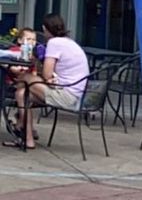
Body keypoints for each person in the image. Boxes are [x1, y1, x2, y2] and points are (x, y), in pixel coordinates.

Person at [7, 13, 89, 150]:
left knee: (25, 78)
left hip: (67, 95)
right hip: (75, 93)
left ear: (45, 28)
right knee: (22, 94)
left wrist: (43, 70)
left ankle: (21, 123)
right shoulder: (69, 42)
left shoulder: (54, 43)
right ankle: (28, 139)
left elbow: (46, 74)